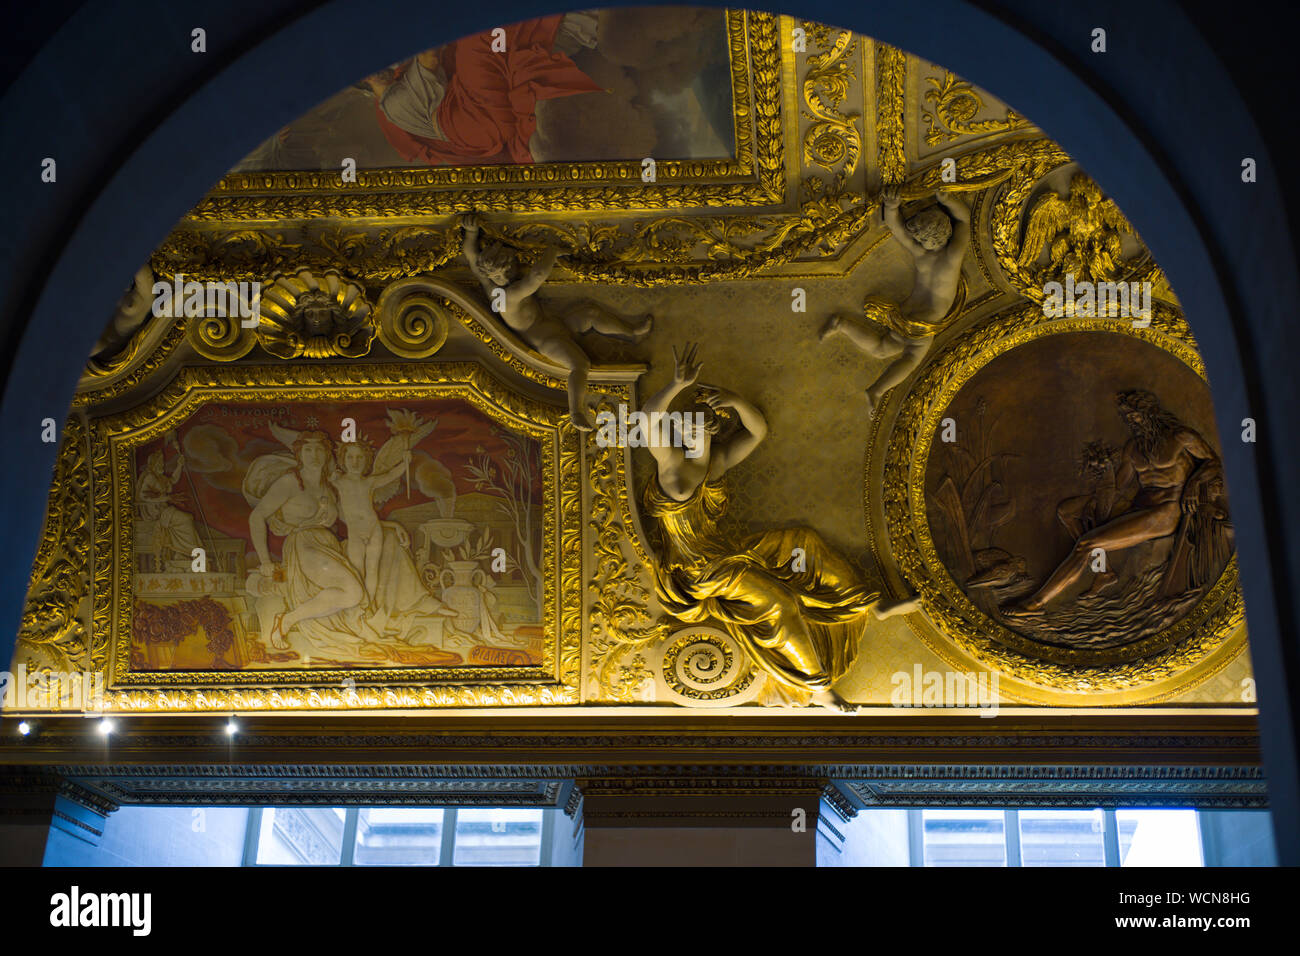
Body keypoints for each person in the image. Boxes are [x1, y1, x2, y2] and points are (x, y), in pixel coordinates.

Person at [640, 343, 917, 709]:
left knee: (801, 543)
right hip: (698, 569)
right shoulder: (671, 462)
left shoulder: (716, 463)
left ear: (715, 429)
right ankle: (820, 689)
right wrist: (675, 384)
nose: (698, 434)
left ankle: (872, 604)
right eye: (693, 427)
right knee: (780, 602)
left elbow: (757, 431)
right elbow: (645, 418)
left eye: (707, 426)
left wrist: (736, 401)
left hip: (727, 554)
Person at [1007, 390, 1223, 613]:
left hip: (1167, 512)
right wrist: (1104, 473)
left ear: (1149, 412)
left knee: (1086, 544)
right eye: (1126, 417)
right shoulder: (1133, 447)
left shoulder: (1180, 437)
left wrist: (1193, 484)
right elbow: (1119, 488)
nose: (1131, 421)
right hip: (1139, 508)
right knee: (1067, 511)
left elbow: (1213, 462)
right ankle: (1103, 570)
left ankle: (1036, 602)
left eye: (1134, 415)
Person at [461, 211, 651, 430]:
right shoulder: (509, 295)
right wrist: (552, 251)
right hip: (547, 342)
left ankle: (632, 331)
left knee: (591, 313)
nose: (515, 269)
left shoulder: (490, 284)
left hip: (555, 324)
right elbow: (537, 276)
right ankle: (576, 412)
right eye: (512, 266)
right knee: (580, 365)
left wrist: (471, 234)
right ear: (504, 271)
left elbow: (472, 258)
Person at [363, 15, 603, 166]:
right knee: (481, 32)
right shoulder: (392, 103)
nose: (379, 66)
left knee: (497, 47)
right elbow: (430, 57)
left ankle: (577, 22)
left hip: (482, 127)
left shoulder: (394, 92)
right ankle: (583, 21)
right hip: (470, 117)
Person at [819, 186, 970, 416]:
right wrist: (948, 200)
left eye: (921, 238)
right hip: (924, 323)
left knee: (882, 349)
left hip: (905, 314)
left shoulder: (923, 256)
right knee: (910, 359)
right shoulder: (952, 256)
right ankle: (876, 390)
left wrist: (891, 206)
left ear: (929, 238)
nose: (918, 242)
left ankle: (841, 325)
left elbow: (895, 227)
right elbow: (964, 221)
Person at [329, 441, 410, 606]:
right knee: (357, 570)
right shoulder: (340, 482)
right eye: (350, 457)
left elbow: (391, 475)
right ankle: (358, 604)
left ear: (366, 460)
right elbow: (324, 474)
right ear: (343, 460)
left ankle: (368, 606)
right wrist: (331, 476)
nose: (355, 462)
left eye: (359, 457)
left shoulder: (369, 482)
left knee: (372, 569)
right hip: (355, 533)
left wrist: (406, 462)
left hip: (374, 529)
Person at [137, 449, 203, 565]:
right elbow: (143, 496)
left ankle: (184, 552)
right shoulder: (150, 477)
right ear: (154, 463)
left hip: (163, 509)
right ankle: (189, 551)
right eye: (160, 462)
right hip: (154, 511)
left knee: (188, 518)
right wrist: (166, 498)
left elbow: (173, 480)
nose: (162, 464)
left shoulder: (160, 477)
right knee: (186, 519)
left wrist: (179, 465)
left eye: (162, 462)